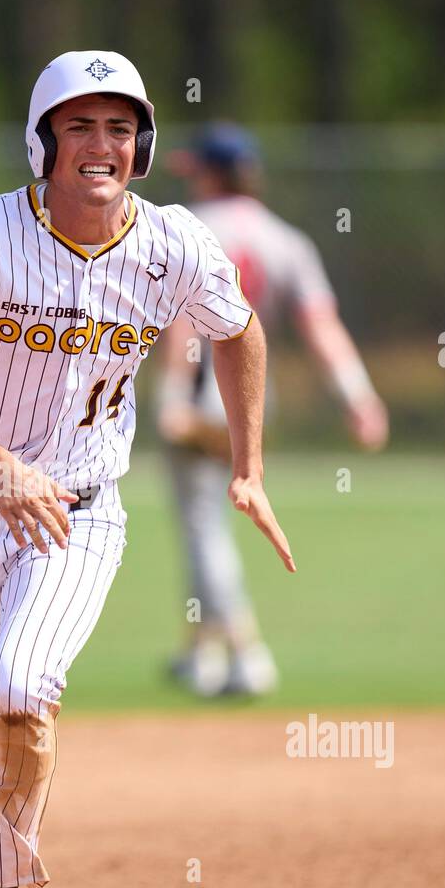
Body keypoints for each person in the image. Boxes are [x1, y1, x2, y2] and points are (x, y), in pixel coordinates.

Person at [0, 55, 293, 888]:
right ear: (44, 141)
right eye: (79, 126)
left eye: (118, 127)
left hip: (80, 516)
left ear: (141, 145)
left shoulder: (172, 245)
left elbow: (237, 329)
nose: (99, 145)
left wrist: (249, 466)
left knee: (24, 689)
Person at [157, 123, 388, 697]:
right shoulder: (286, 239)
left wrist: (172, 396)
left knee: (202, 524)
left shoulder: (186, 226)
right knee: (206, 520)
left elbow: (186, 323)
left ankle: (245, 651)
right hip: (253, 396)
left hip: (200, 393)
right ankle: (203, 652)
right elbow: (321, 327)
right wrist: (359, 397)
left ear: (209, 173)